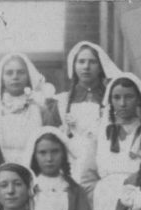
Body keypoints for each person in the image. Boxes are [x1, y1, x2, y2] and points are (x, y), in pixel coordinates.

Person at [81, 73, 141, 210]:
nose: (122, 103)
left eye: (128, 97)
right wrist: (99, 194)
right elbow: (87, 176)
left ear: (138, 99)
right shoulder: (100, 132)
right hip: (105, 200)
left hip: (138, 200)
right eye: (117, 97)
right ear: (110, 100)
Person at [52, 41, 122, 181]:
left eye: (92, 62)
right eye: (81, 61)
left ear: (101, 67)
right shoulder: (62, 102)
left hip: (104, 161)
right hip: (71, 163)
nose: (86, 67)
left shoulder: (111, 99)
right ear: (74, 66)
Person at [0, 52, 57, 166]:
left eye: (21, 72)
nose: (15, 77)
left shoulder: (40, 109)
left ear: (28, 77)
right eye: (9, 73)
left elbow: (52, 145)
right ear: (2, 78)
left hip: (32, 168)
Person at [26, 126, 93, 210]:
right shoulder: (28, 189)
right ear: (34, 156)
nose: (49, 158)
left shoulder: (74, 190)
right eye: (42, 153)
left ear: (63, 154)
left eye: (55, 152)